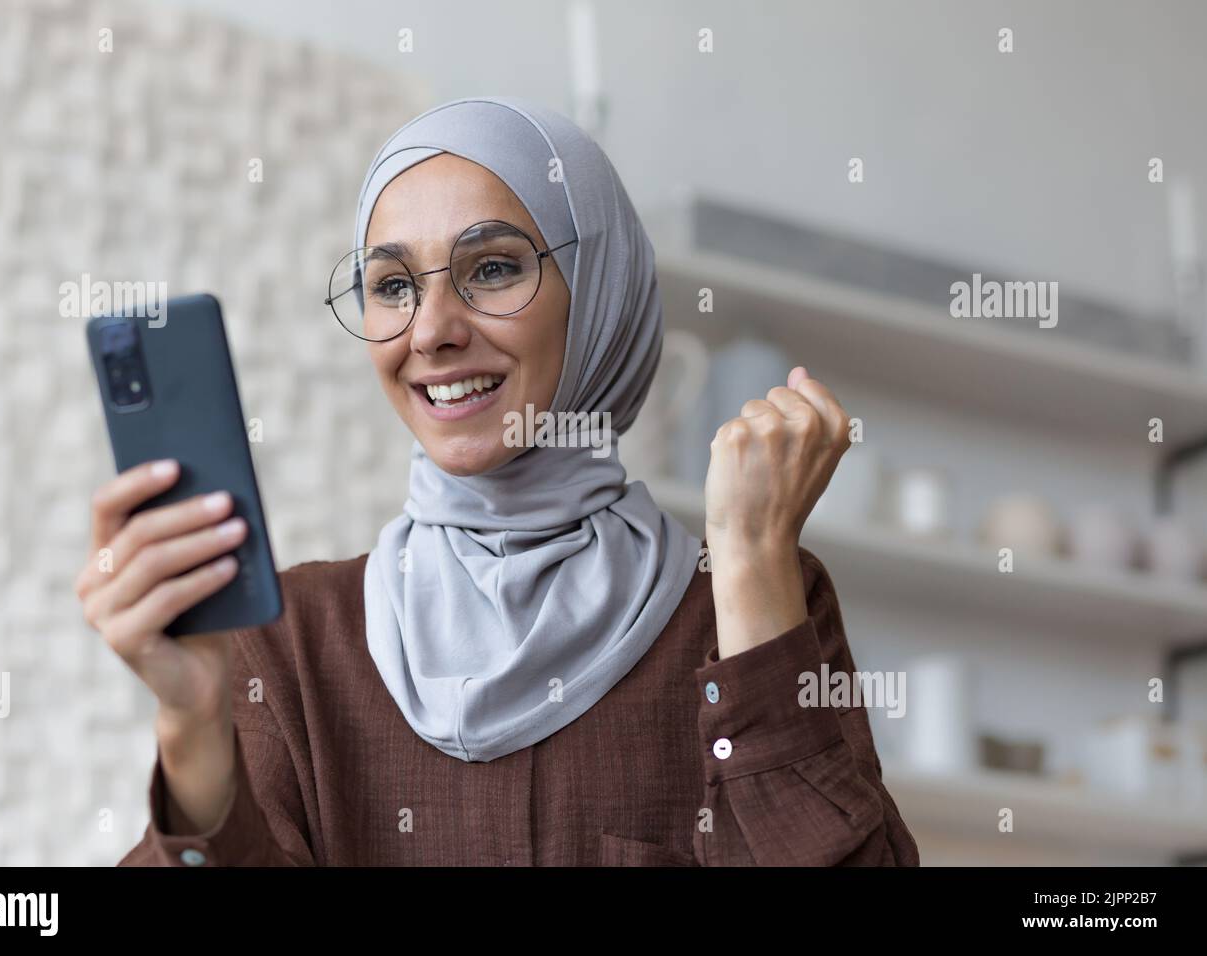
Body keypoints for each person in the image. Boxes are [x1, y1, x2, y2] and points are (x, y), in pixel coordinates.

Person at [76, 96, 919, 866]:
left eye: (491, 269)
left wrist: (751, 559)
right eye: (394, 285)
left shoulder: (756, 600)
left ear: (598, 294)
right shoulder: (294, 641)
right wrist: (190, 723)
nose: (433, 331)